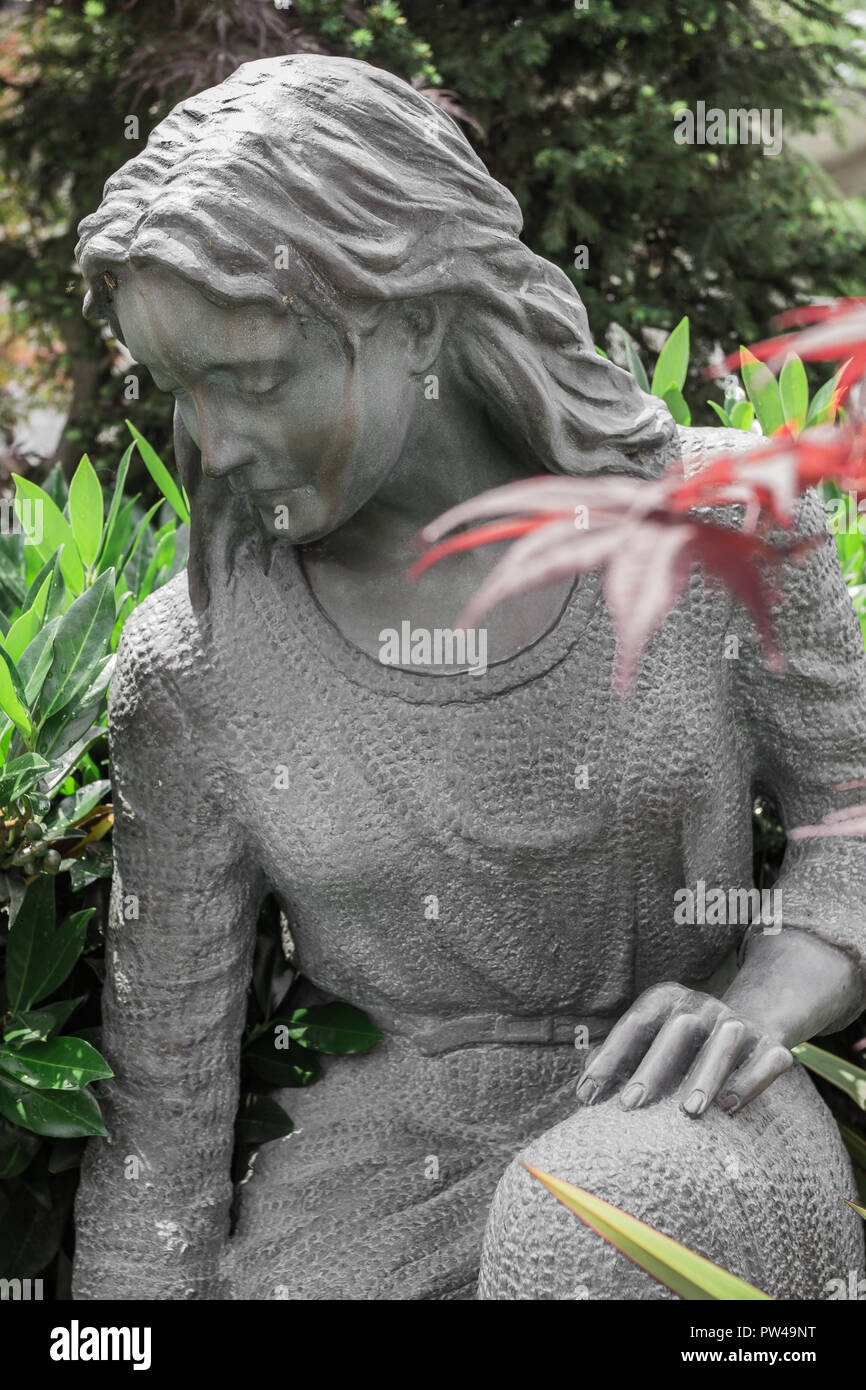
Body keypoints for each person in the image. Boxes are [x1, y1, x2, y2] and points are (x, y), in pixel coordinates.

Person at [72, 55, 866, 1300]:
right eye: (179, 391)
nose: (216, 446)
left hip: (683, 1114)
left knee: (590, 1227)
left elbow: (850, 818)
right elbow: (161, 1113)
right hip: (363, 1184)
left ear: (420, 318)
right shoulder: (193, 665)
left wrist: (765, 996)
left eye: (256, 379)